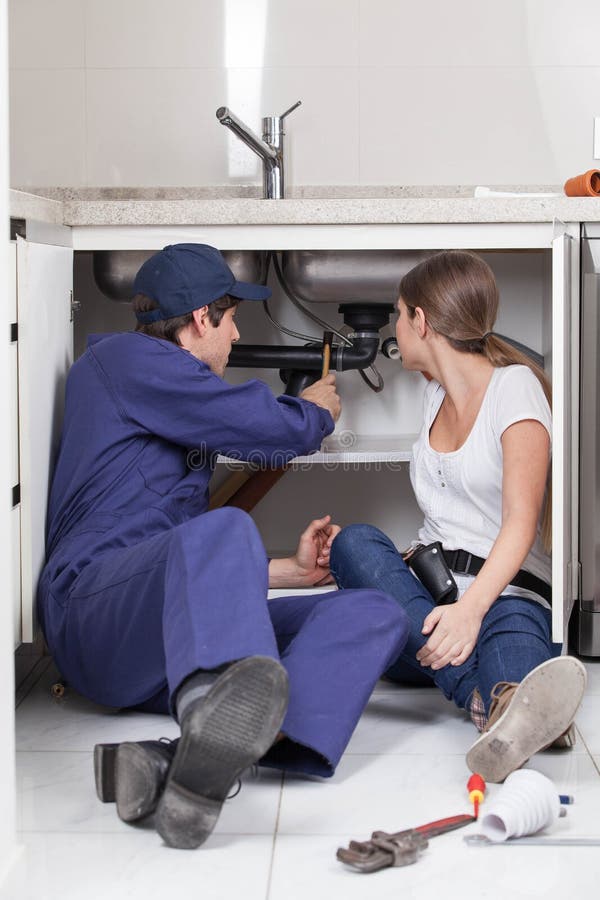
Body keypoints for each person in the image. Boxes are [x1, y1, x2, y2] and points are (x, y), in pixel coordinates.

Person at [37, 243, 410, 849]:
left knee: (373, 610)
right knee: (228, 525)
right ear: (202, 318)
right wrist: (313, 414)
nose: (237, 335)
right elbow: (263, 428)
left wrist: (280, 571)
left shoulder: (165, 397)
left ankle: (198, 754)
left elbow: (177, 557)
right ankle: (214, 700)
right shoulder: (125, 360)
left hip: (160, 633)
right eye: (233, 318)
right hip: (92, 615)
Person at [329, 249, 587, 784]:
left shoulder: (513, 388)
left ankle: (500, 699)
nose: (395, 327)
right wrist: (439, 603)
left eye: (399, 314)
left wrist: (470, 609)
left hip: (504, 597)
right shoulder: (432, 396)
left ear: (421, 320)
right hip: (431, 608)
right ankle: (497, 704)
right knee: (354, 544)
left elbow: (520, 522)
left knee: (509, 631)